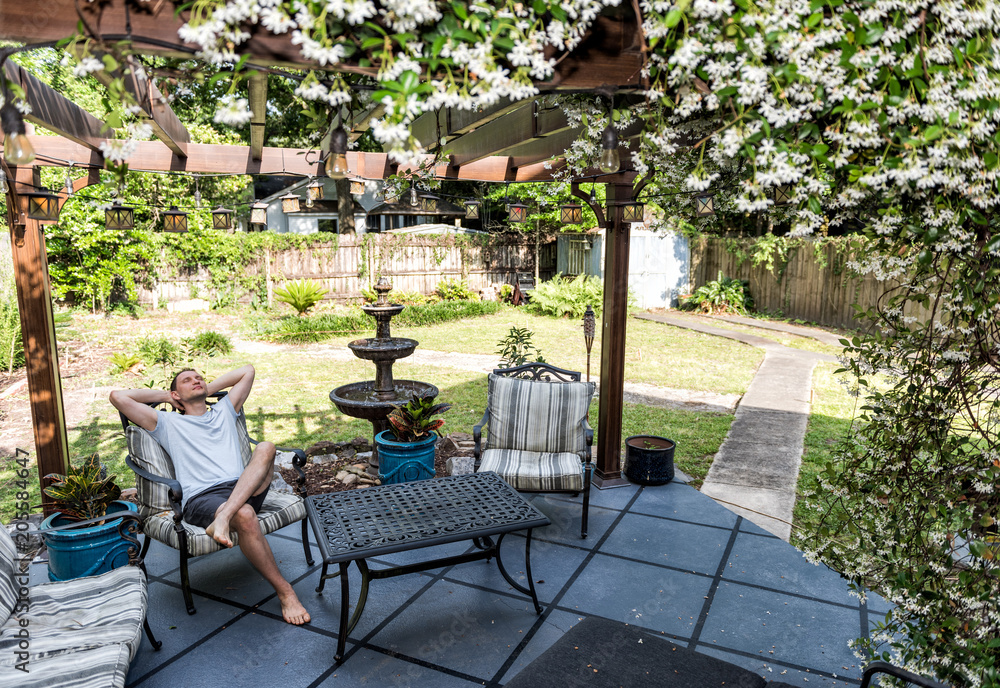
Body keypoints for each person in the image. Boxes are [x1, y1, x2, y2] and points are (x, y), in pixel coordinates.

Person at [110, 364, 310, 625]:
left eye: (199, 378)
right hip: (203, 498)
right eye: (187, 380)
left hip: (243, 487)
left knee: (266, 447)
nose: (196, 380)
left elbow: (247, 370)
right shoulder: (166, 423)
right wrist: (169, 398)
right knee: (246, 513)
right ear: (176, 395)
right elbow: (117, 397)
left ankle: (224, 518)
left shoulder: (225, 410)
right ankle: (286, 593)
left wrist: (205, 390)